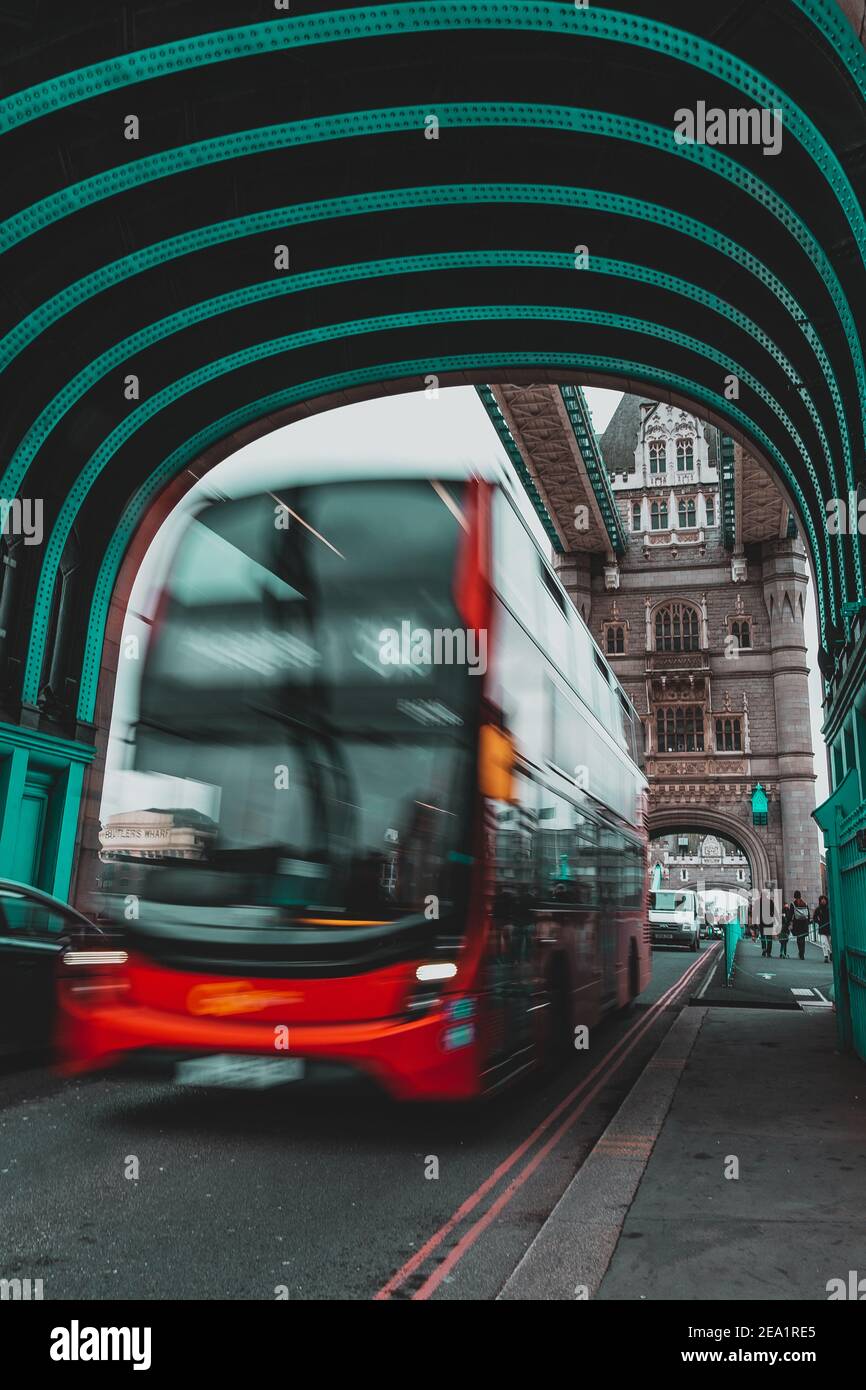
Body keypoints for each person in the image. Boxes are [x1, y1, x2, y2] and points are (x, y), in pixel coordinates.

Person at [790, 890, 811, 959]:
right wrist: (807, 922)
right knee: (803, 939)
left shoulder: (793, 904)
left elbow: (790, 915)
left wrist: (789, 923)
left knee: (799, 939)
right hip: (804, 923)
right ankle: (802, 953)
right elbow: (808, 914)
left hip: (797, 923)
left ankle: (800, 952)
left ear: (794, 896)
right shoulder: (805, 903)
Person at [813, 894, 831, 963]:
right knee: (824, 942)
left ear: (826, 901)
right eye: (822, 900)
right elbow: (814, 917)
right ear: (820, 901)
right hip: (822, 928)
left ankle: (831, 953)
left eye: (824, 900)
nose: (823, 901)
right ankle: (826, 956)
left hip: (829, 928)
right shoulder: (818, 909)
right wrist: (819, 922)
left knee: (830, 942)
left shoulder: (829, 908)